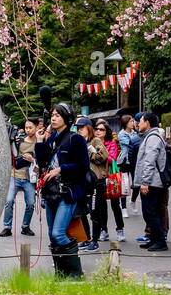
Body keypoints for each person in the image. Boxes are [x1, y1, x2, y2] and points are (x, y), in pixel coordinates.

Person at [33, 104, 89, 278]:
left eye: (58, 115)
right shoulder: (51, 139)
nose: (54, 118)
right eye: (53, 115)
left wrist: (61, 169)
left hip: (68, 192)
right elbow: (42, 163)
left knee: (58, 233)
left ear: (67, 118)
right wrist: (40, 142)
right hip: (51, 193)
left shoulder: (75, 139)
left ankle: (75, 273)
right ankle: (61, 274)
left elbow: (83, 166)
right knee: (52, 235)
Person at [133, 111, 169, 251]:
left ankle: (160, 241)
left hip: (153, 182)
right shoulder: (150, 136)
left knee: (150, 212)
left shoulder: (153, 137)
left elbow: (150, 160)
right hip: (152, 181)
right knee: (150, 211)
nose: (138, 124)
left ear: (147, 122)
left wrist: (145, 182)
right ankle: (154, 239)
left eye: (140, 121)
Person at [0, 119, 38, 237]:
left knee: (31, 203)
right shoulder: (19, 140)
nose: (28, 130)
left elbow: (43, 159)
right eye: (26, 127)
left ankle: (25, 226)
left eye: (30, 127)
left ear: (36, 127)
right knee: (9, 200)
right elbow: (13, 155)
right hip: (15, 175)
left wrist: (33, 160)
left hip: (29, 178)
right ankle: (7, 227)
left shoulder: (40, 141)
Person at [78, 117, 109, 254]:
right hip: (83, 181)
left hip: (96, 181)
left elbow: (103, 156)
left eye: (82, 127)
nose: (79, 130)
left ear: (88, 128)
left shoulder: (95, 141)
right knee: (83, 211)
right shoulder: (79, 142)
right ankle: (86, 238)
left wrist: (89, 149)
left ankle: (95, 241)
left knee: (95, 212)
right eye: (78, 128)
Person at [97, 121, 125, 243]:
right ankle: (104, 230)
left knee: (115, 204)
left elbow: (112, 158)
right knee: (101, 206)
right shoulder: (93, 143)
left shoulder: (111, 143)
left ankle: (120, 229)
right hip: (99, 177)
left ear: (106, 132)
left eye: (101, 129)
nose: (98, 131)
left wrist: (101, 154)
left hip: (111, 176)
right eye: (97, 129)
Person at [116, 114, 140, 217]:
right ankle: (124, 208)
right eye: (131, 121)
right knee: (124, 185)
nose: (133, 123)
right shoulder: (121, 134)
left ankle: (133, 201)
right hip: (125, 161)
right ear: (125, 123)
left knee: (137, 184)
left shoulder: (135, 133)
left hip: (134, 161)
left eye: (133, 121)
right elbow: (131, 144)